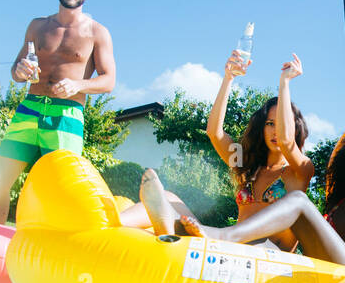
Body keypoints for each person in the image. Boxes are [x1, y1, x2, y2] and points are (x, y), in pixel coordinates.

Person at [139, 44, 345, 267]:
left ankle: (218, 236)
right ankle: (179, 230)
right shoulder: (337, 200)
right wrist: (227, 78)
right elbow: (215, 133)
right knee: (176, 200)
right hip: (318, 267)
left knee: (299, 203)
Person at [118, 50, 316, 250]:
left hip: (270, 251)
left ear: (295, 127)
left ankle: (174, 228)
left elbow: (285, 140)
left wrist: (284, 83)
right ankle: (111, 223)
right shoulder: (246, 165)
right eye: (270, 123)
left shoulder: (300, 171)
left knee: (248, 241)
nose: (276, 131)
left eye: (282, 123)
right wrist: (228, 78)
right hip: (233, 245)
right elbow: (214, 132)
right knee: (168, 198)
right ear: (261, 128)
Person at [0, 0, 116, 224]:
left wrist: (79, 85)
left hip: (66, 115)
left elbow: (109, 81)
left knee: (60, 191)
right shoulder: (38, 26)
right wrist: (20, 71)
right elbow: (16, 70)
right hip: (29, 108)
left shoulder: (97, 32)